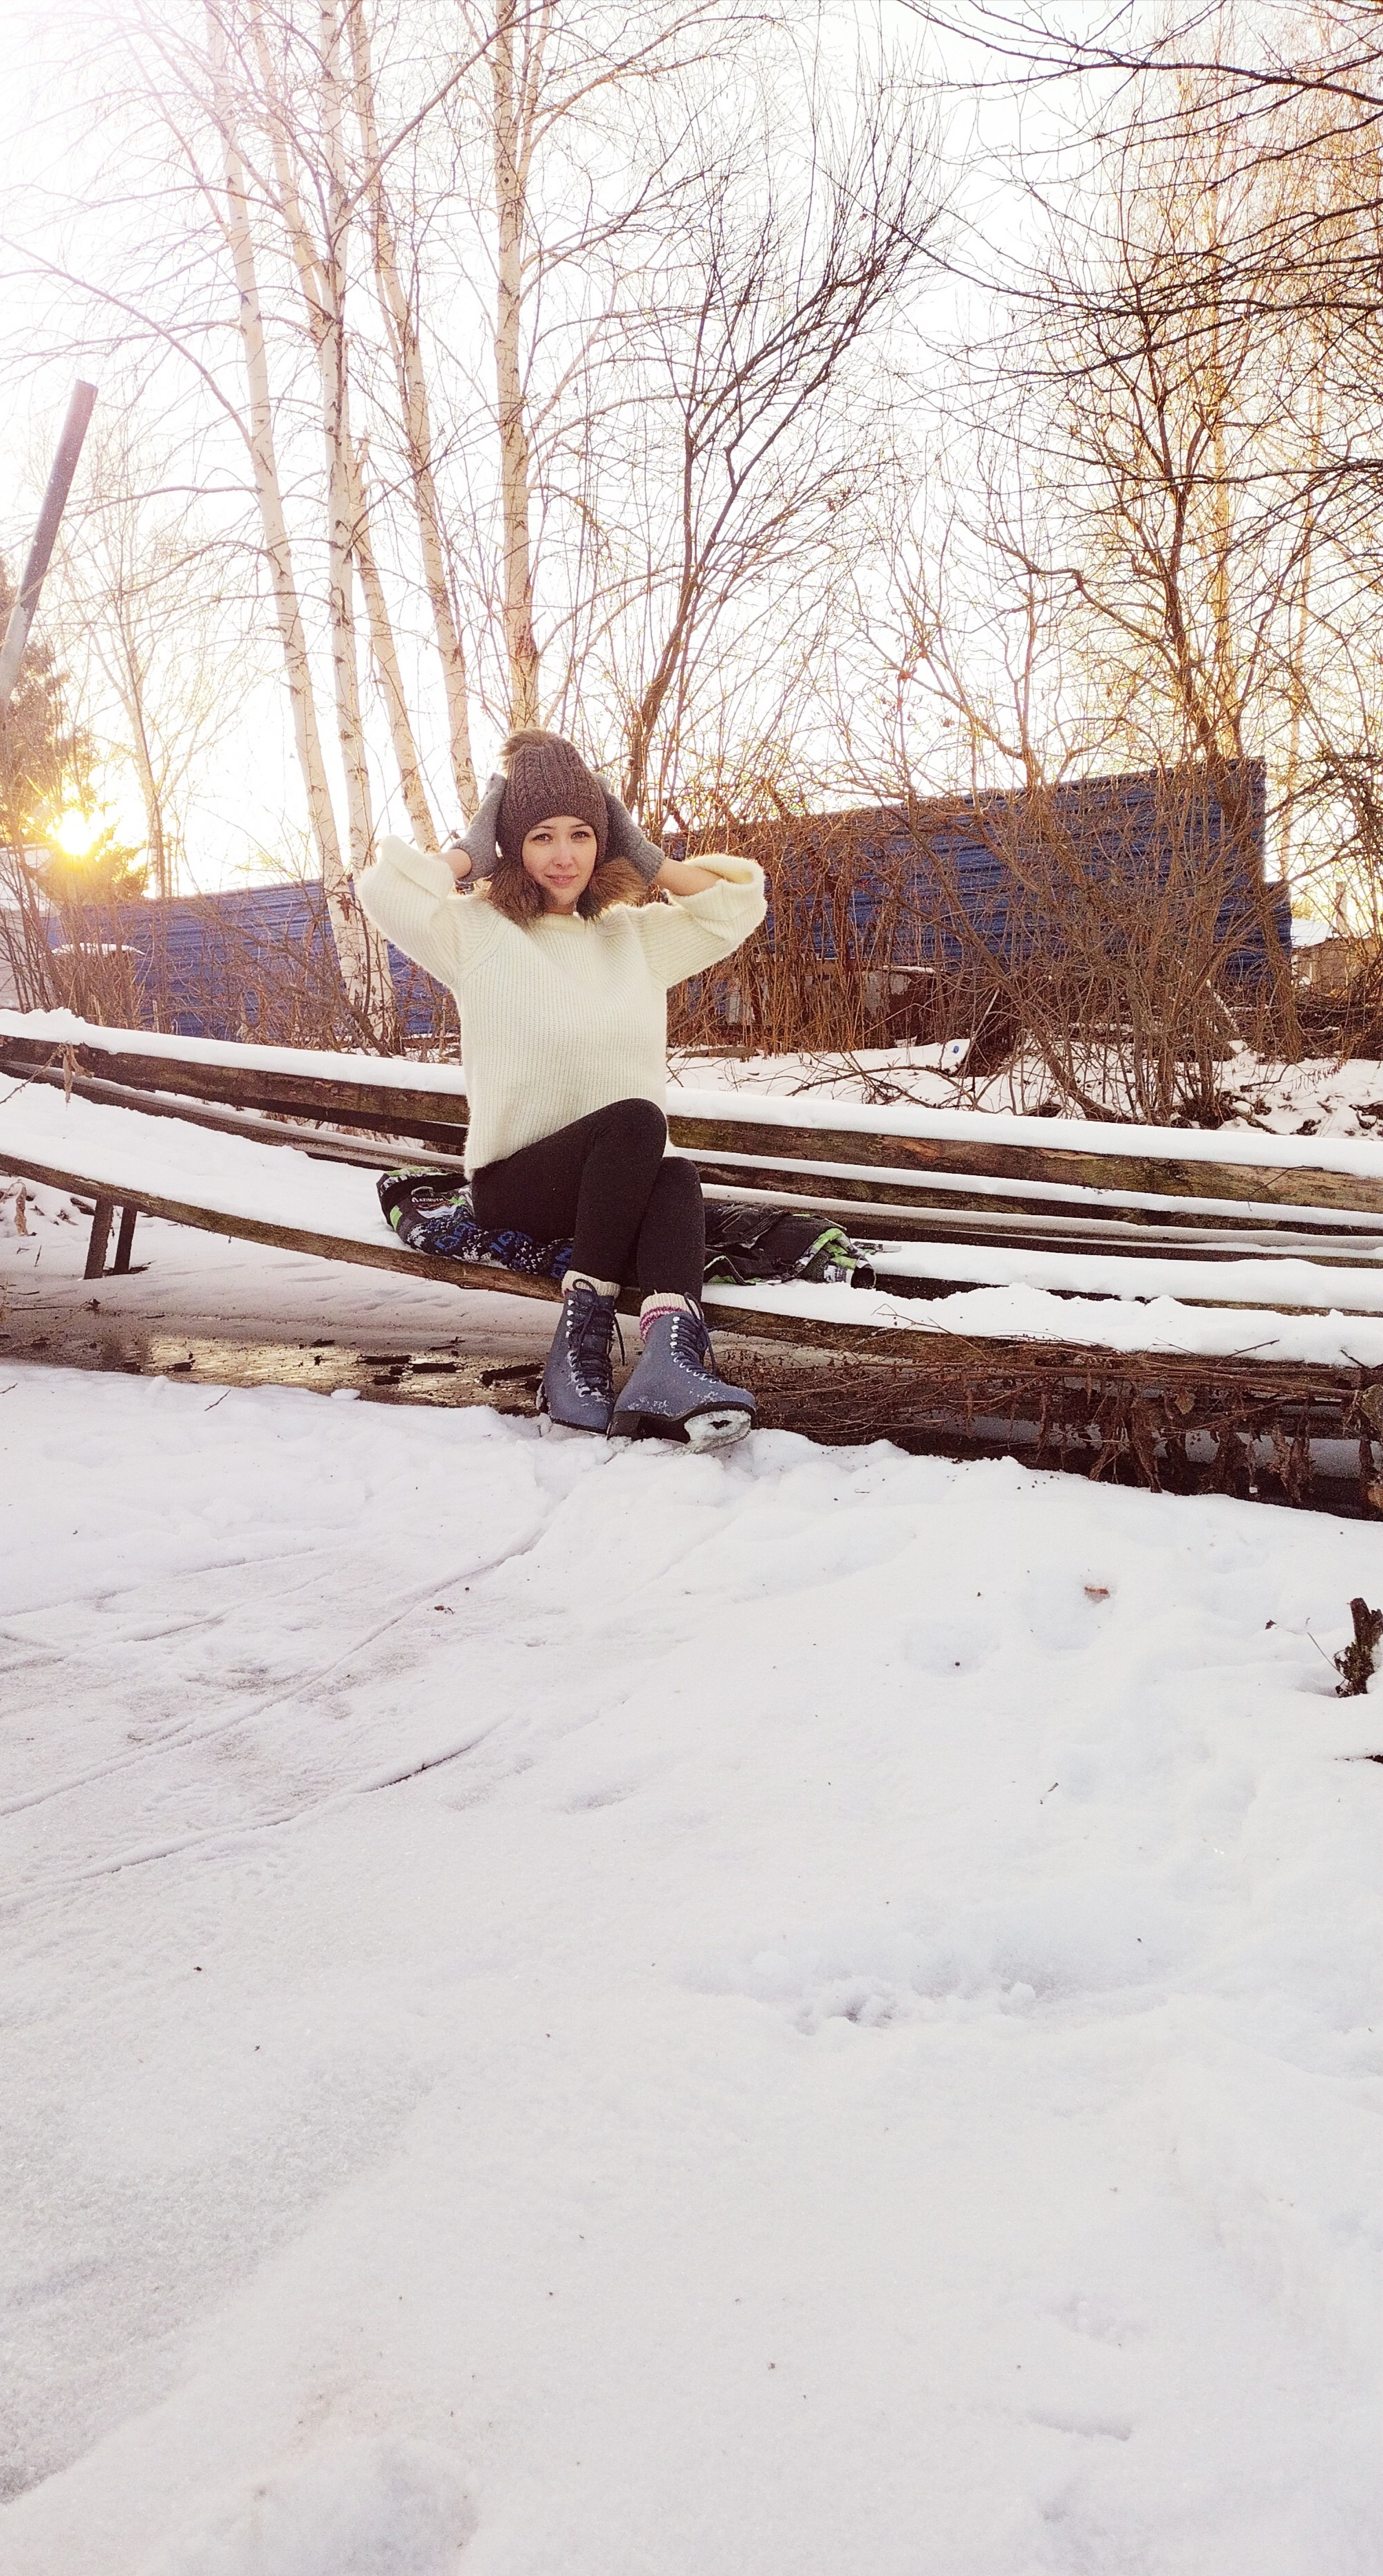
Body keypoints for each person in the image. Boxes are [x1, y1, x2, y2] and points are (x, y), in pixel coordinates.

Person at [358, 729, 767, 1448]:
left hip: (620, 1184)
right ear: (512, 846)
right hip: (517, 1184)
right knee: (641, 1124)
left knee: (674, 1175)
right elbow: (382, 887)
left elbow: (741, 905)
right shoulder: (478, 933)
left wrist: (647, 857)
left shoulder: (634, 939)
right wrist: (470, 850)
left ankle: (669, 1363)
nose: (564, 854)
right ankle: (575, 1352)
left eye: (582, 834)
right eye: (540, 836)